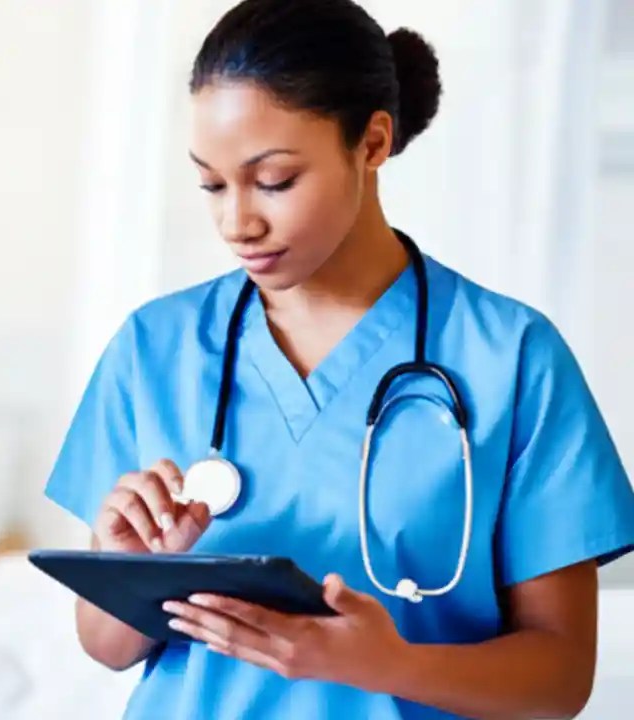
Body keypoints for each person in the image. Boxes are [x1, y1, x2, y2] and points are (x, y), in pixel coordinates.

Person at [44, 0, 634, 717]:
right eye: (212, 185)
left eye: (275, 180)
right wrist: (134, 567)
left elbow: (561, 678)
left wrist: (387, 665)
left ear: (373, 142)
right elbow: (106, 646)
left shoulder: (511, 358)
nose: (237, 222)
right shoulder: (155, 347)